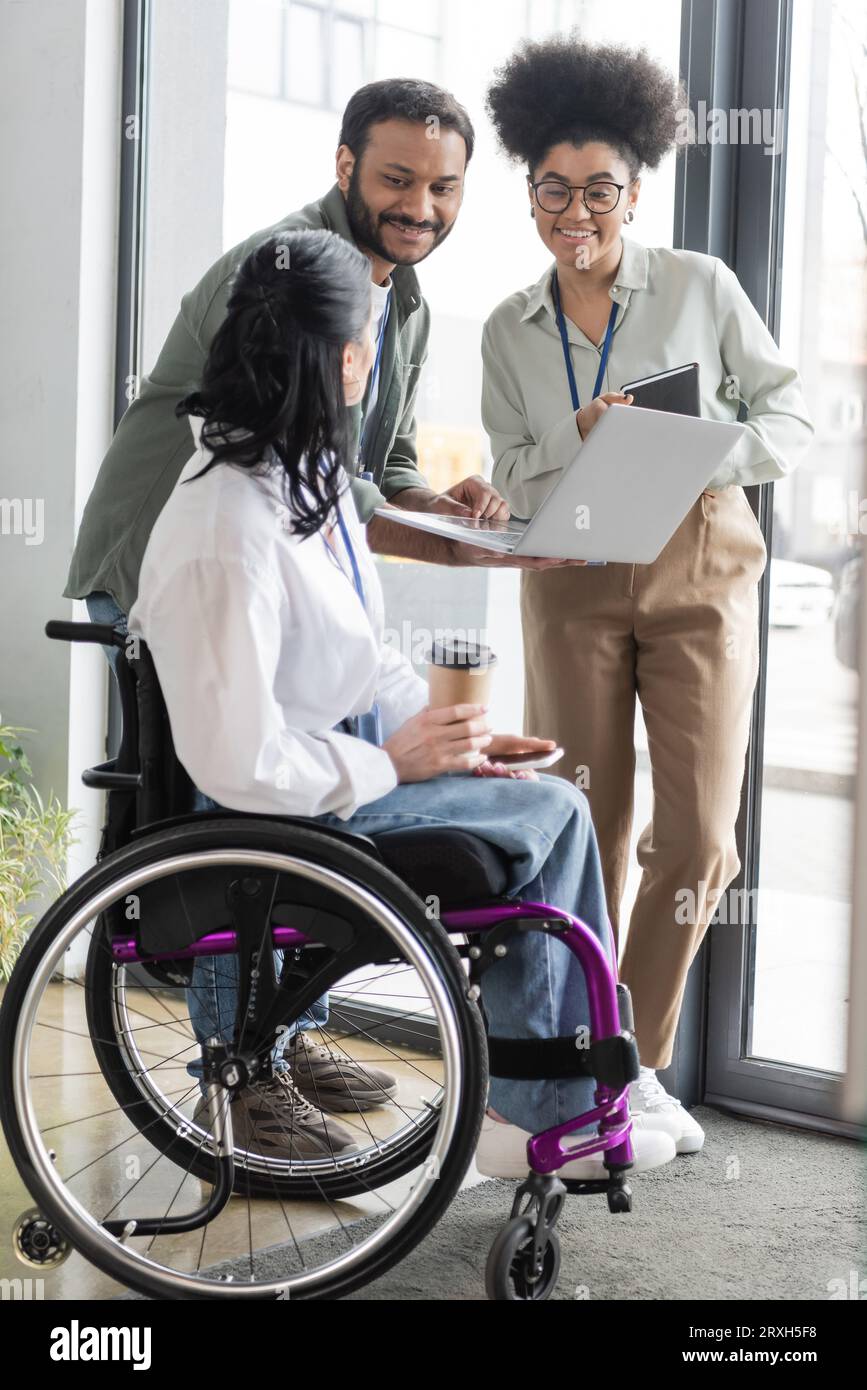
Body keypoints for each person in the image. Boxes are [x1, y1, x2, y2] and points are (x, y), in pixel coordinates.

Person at [125, 225, 677, 1178]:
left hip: (342, 768)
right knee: (549, 816)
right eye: (373, 340)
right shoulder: (225, 527)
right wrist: (396, 761)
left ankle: (564, 1095)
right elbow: (236, 764)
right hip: (277, 811)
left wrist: (455, 738)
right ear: (348, 359)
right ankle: (534, 1108)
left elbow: (365, 656)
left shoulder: (306, 479)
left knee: (551, 806)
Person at [481, 37, 814, 1154]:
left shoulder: (701, 287)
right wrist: (578, 440)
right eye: (555, 190)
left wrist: (690, 450)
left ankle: (630, 1051)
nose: (578, 212)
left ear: (637, 189)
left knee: (701, 836)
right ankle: (586, 1071)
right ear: (530, 191)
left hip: (699, 560)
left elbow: (792, 421)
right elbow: (515, 473)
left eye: (601, 190)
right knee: (580, 824)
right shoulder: (505, 330)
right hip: (570, 574)